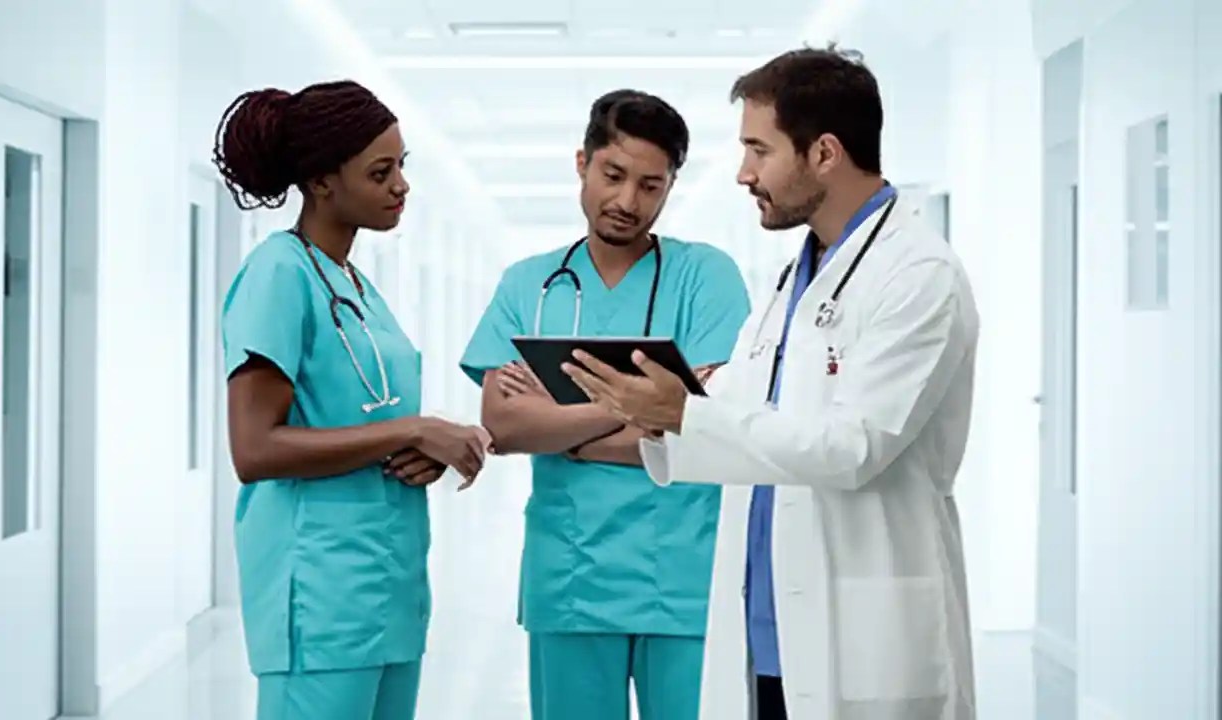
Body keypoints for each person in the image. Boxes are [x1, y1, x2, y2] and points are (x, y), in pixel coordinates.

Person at [563, 48, 979, 720]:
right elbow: (737, 412)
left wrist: (687, 415)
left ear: (824, 153)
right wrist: (661, 414)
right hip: (772, 629)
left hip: (860, 630)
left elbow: (853, 446)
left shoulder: (919, 274)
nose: (743, 172)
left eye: (759, 149)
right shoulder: (794, 281)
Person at [459, 89, 751, 720]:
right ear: (581, 163)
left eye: (651, 185)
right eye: (612, 175)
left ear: (671, 187)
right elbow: (503, 426)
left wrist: (560, 423)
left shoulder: (707, 278)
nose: (627, 201)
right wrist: (640, 406)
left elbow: (706, 429)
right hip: (571, 577)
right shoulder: (528, 285)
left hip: (682, 576)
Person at [213, 80, 491, 720]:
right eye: (380, 171)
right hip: (320, 598)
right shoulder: (278, 273)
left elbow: (375, 420)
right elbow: (254, 449)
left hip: (387, 590)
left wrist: (422, 447)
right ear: (321, 182)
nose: (401, 186)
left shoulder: (355, 285)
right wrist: (411, 431)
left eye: (402, 166)